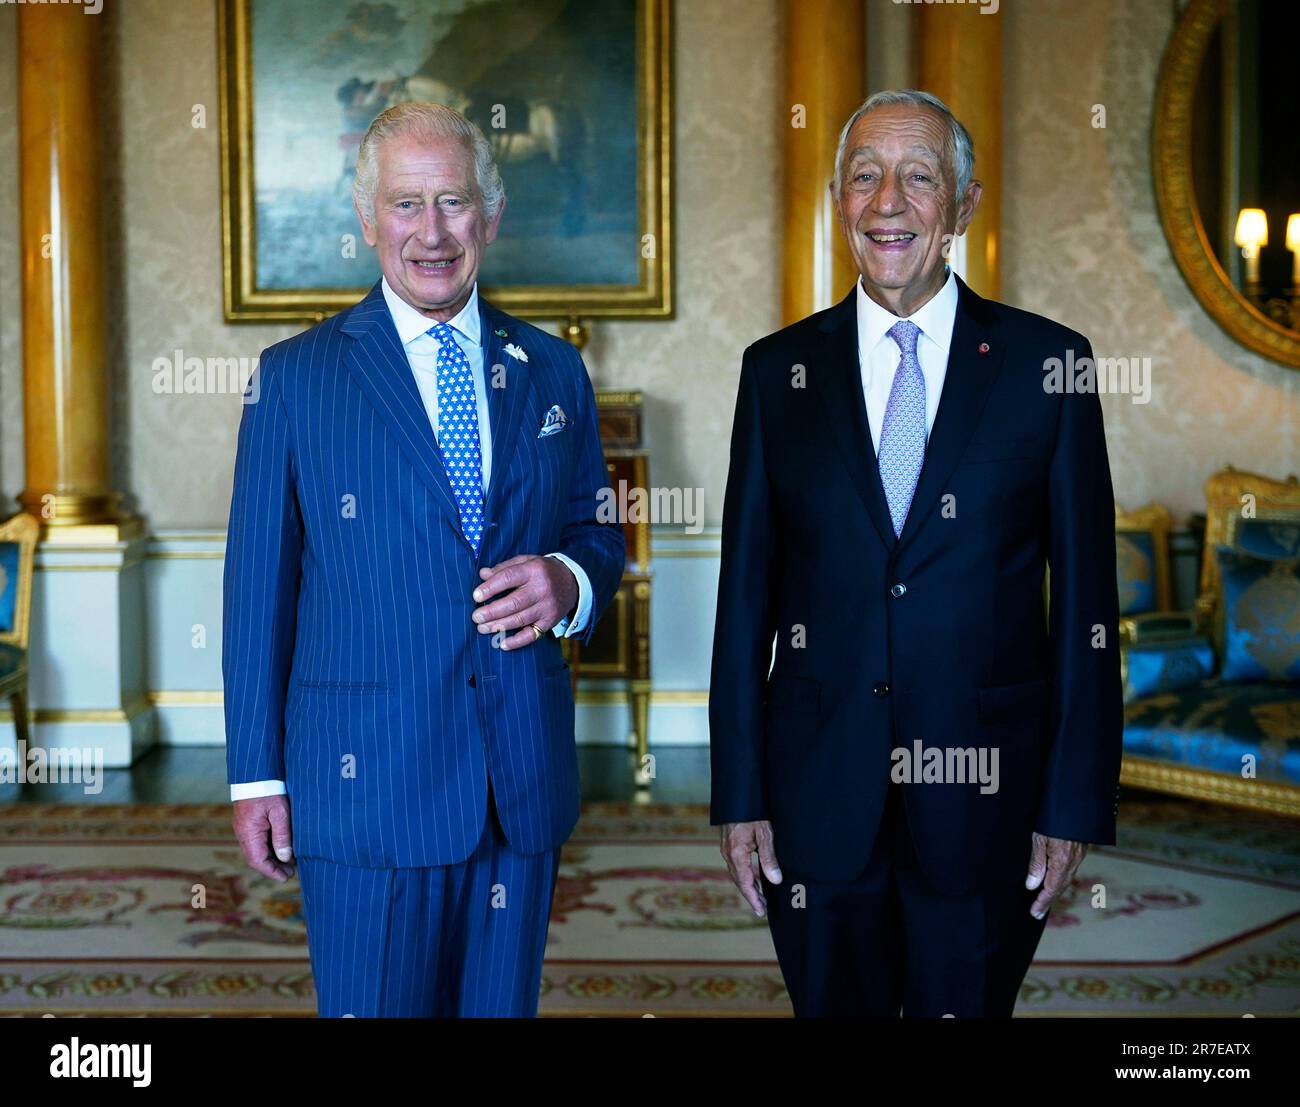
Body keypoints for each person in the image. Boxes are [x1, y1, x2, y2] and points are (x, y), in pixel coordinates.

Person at [710, 89, 1122, 1017]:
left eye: (918, 177)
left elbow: (1089, 606)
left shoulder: (1050, 368)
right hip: (816, 798)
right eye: (864, 175)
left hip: (991, 798)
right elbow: (744, 601)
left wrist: (1073, 800)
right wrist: (738, 793)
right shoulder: (778, 373)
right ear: (839, 201)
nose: (887, 201)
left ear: (964, 204)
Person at [223, 101, 624, 1018]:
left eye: (453, 202)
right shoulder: (294, 378)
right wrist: (256, 774)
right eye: (407, 205)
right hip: (366, 788)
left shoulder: (551, 367)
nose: (432, 233)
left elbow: (597, 530)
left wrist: (572, 579)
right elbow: (256, 593)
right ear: (367, 220)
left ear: (491, 213)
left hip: (516, 781)